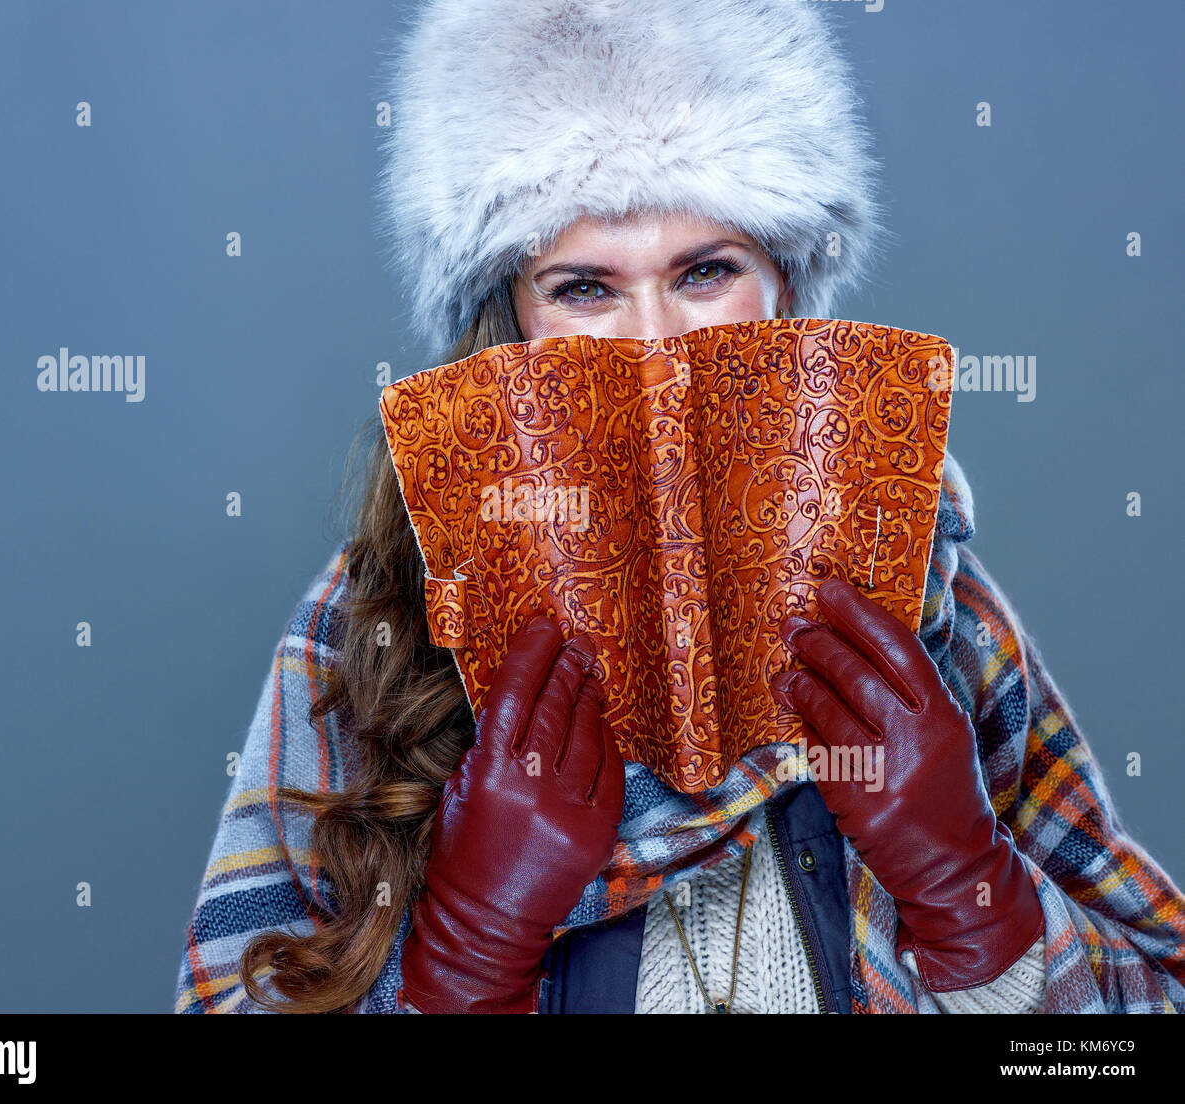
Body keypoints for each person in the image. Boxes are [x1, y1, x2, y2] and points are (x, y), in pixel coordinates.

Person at [174, 0, 1185, 1014]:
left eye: (704, 272)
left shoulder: (932, 611)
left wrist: (971, 891)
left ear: (785, 290)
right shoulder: (371, 629)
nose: (653, 346)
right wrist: (467, 959)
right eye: (583, 288)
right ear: (508, 323)